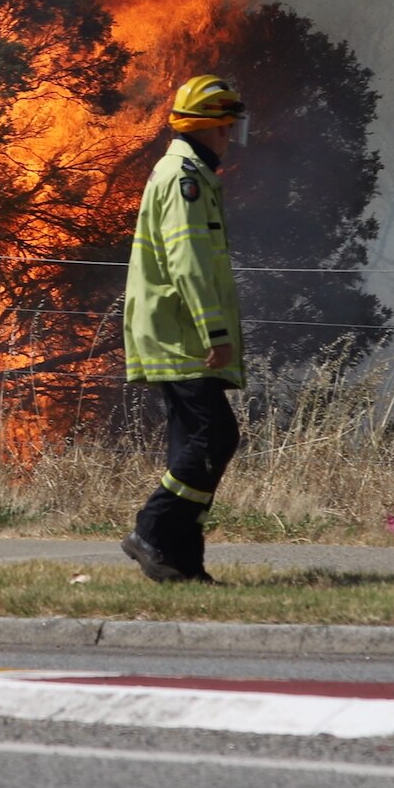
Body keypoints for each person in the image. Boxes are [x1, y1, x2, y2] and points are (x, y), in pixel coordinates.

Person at [121, 73, 248, 583]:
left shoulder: (188, 173)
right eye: (226, 126)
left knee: (193, 445)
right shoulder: (183, 180)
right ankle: (152, 529)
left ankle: (180, 562)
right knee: (214, 436)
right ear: (209, 127)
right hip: (182, 337)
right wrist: (215, 333)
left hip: (179, 332)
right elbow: (188, 260)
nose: (230, 136)